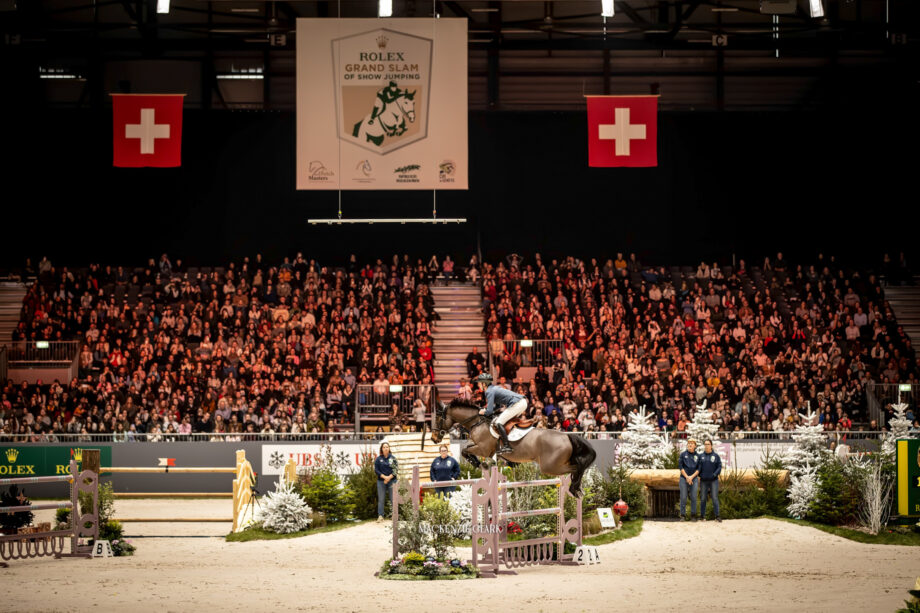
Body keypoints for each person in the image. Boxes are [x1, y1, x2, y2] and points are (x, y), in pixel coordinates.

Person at [475, 372, 526, 454]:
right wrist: (486, 410)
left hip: (517, 403)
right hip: (521, 402)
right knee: (504, 421)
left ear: (484, 383)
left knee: (499, 422)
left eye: (479, 383)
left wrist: (483, 412)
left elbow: (489, 411)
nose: (478, 385)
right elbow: (497, 406)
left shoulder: (489, 391)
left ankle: (507, 446)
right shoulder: (493, 389)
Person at [698, 439, 722, 522]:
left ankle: (717, 516)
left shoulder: (716, 456)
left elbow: (719, 466)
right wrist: (699, 475)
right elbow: (698, 467)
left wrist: (715, 474)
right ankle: (702, 516)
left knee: (715, 498)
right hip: (703, 481)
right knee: (703, 498)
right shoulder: (701, 456)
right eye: (705, 444)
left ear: (711, 445)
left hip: (713, 481)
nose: (706, 446)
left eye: (708, 444)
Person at [374, 442, 398, 521]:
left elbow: (395, 470)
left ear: (389, 448)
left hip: (392, 481)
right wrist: (384, 478)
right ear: (381, 449)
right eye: (384, 447)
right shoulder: (378, 459)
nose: (385, 448)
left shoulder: (393, 458)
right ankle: (380, 516)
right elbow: (376, 470)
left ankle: (394, 515)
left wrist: (388, 478)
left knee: (393, 499)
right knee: (381, 499)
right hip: (381, 482)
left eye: (387, 447)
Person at [679, 439, 701, 521]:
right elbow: (681, 467)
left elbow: (699, 469)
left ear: (695, 446)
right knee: (683, 497)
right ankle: (683, 515)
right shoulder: (683, 454)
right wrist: (687, 477)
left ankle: (693, 515)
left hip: (694, 479)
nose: (690, 445)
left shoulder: (698, 456)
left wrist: (691, 477)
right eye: (689, 443)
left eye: (692, 443)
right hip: (683, 478)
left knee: (694, 497)